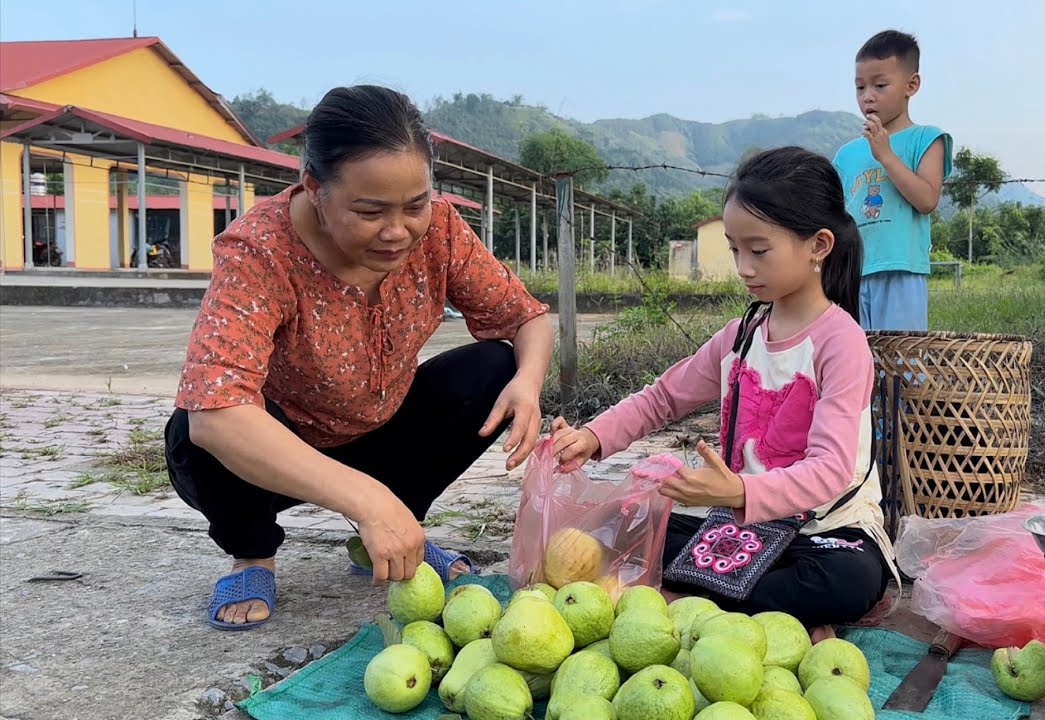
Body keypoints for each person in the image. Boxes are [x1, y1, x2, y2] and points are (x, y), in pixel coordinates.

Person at [165, 85, 554, 630]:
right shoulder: (260, 250)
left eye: (415, 205)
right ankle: (253, 554)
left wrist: (529, 383)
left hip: (382, 432)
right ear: (315, 189)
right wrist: (366, 499)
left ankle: (399, 534)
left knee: (494, 368)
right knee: (199, 421)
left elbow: (524, 316)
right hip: (276, 460)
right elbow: (215, 415)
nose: (398, 232)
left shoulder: (438, 229)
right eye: (369, 211)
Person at [550, 147, 899, 632]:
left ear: (818, 245)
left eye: (759, 250)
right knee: (617, 522)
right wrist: (593, 436)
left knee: (845, 581)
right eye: (736, 249)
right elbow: (663, 398)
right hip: (743, 532)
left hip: (825, 530)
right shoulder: (741, 337)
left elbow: (830, 470)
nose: (744, 267)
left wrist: (737, 489)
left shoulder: (840, 343)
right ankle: (744, 605)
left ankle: (688, 595)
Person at [833, 29, 953, 331]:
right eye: (860, 87)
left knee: (904, 363)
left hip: (902, 269)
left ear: (911, 85)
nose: (867, 96)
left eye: (880, 85)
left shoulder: (926, 139)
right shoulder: (846, 155)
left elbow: (927, 200)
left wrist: (885, 154)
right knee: (855, 359)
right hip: (853, 274)